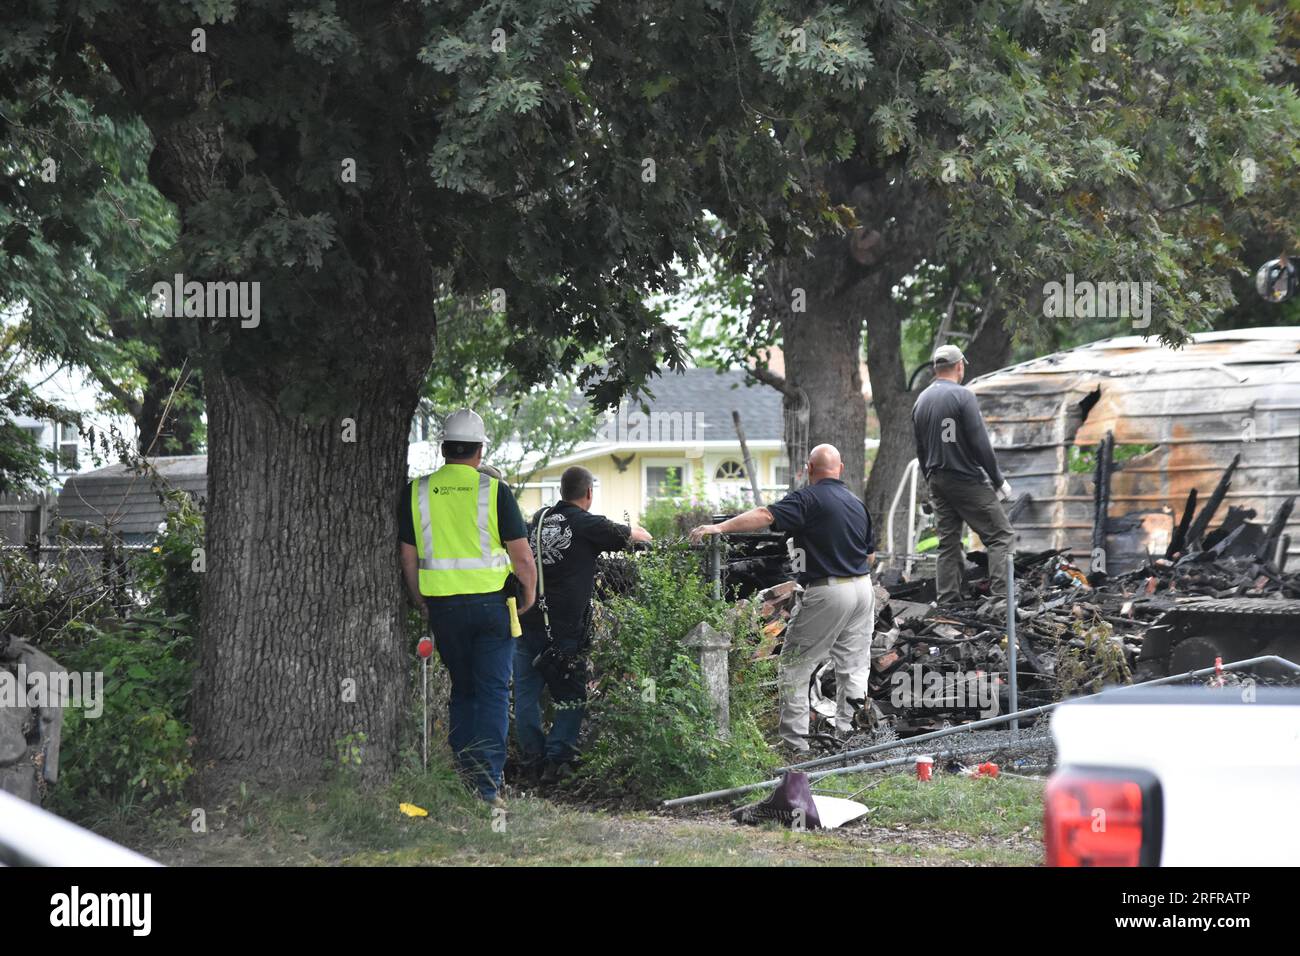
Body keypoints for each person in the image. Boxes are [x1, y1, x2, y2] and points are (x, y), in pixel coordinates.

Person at [690, 444, 875, 756]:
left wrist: (719, 526)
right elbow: (869, 553)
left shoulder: (808, 497)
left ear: (810, 469)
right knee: (854, 668)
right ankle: (852, 741)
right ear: (840, 468)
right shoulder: (857, 504)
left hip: (829, 589)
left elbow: (765, 515)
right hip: (863, 587)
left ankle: (795, 745)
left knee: (794, 665)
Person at [398, 408, 536, 807]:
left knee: (464, 691)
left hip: (444, 608)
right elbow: (522, 557)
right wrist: (528, 594)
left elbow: (408, 557)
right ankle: (487, 787)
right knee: (493, 693)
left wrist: (419, 597)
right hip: (493, 608)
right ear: (479, 450)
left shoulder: (417, 491)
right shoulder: (494, 491)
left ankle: (461, 775)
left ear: (444, 449)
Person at [515, 466, 651, 784]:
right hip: (564, 629)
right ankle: (557, 759)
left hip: (527, 619)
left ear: (562, 492)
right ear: (589, 493)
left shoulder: (538, 522)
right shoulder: (587, 523)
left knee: (525, 694)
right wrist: (642, 534)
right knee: (571, 695)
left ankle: (532, 760)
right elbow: (635, 537)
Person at [911, 344, 1015, 604]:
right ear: (959, 366)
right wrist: (998, 480)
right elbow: (980, 444)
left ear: (936, 369)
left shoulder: (921, 400)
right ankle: (1002, 602)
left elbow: (921, 450)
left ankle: (948, 602)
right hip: (965, 478)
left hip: (937, 479)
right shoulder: (963, 396)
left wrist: (931, 480)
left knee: (948, 541)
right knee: (1001, 536)